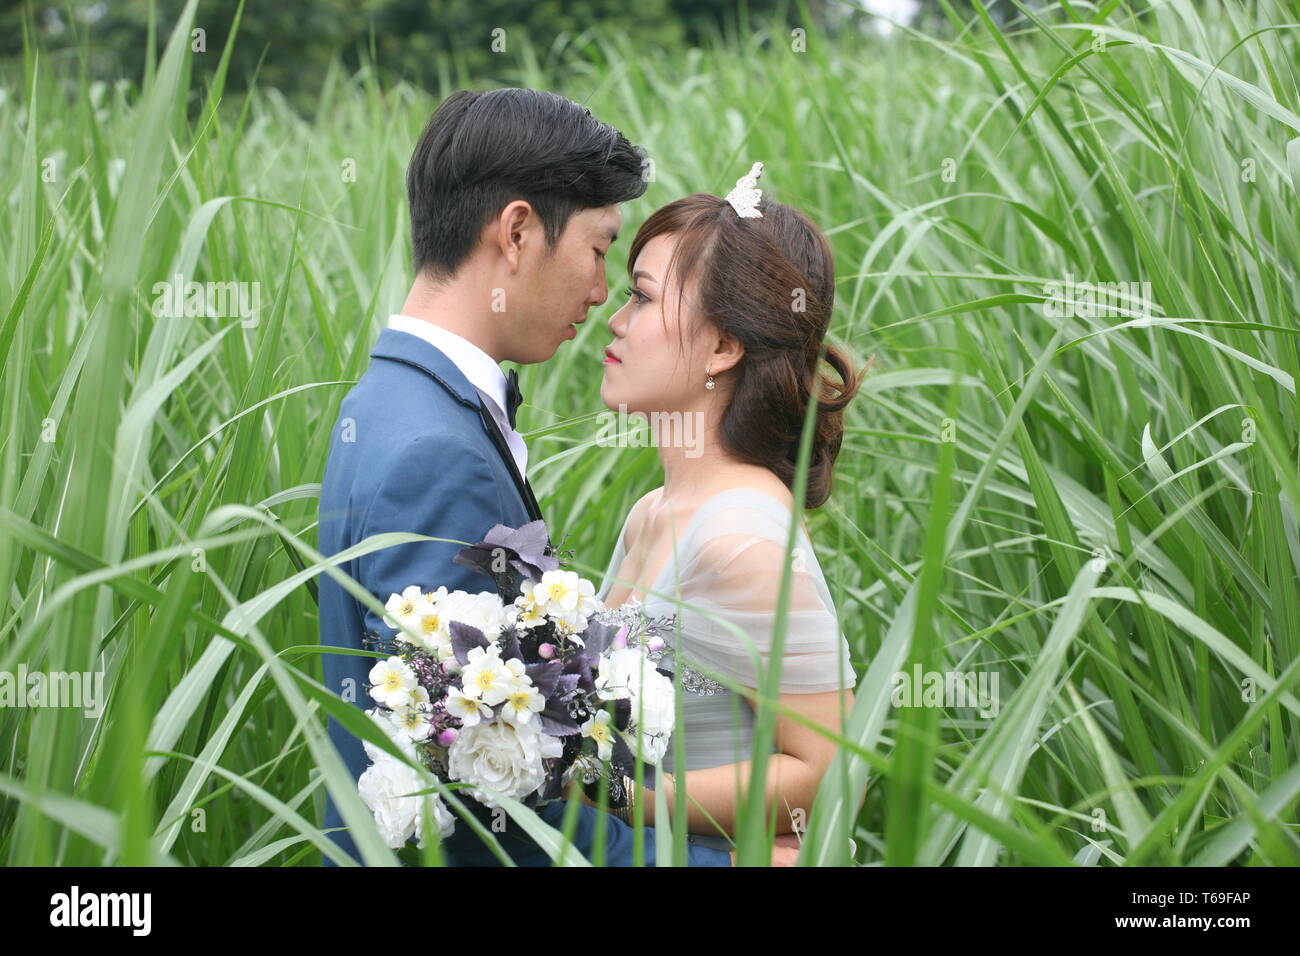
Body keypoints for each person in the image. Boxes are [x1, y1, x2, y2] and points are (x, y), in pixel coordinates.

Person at [318, 87, 747, 866]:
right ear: (516, 232)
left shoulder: (387, 399)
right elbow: (493, 798)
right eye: (597, 249)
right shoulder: (435, 453)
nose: (599, 293)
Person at [593, 163, 862, 856]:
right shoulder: (654, 511)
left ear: (723, 345)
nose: (614, 321)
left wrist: (628, 798)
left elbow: (830, 771)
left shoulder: (739, 535)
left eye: (643, 299)